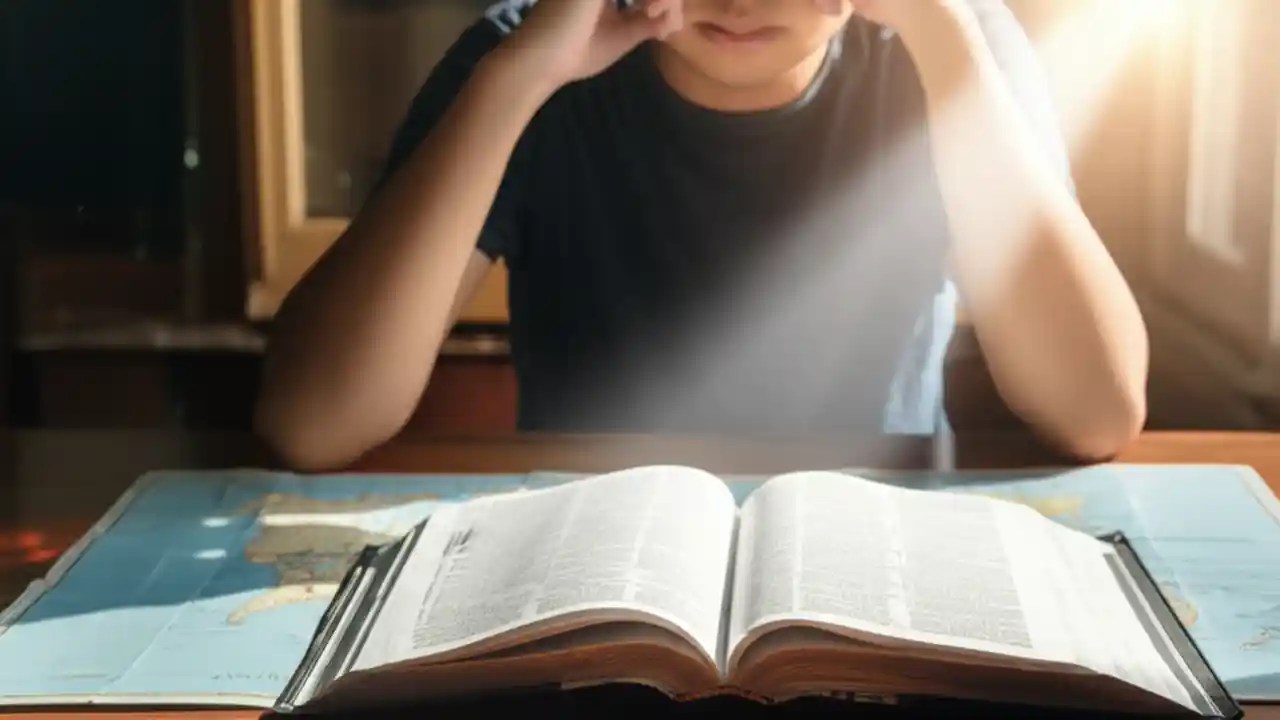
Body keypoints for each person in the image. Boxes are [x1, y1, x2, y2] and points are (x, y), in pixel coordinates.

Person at [254, 0, 1149, 471]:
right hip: (588, 567)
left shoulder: (953, 43)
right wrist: (518, 80)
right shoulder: (528, 56)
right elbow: (313, 422)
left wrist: (943, 37)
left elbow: (1096, 411)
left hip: (880, 553)